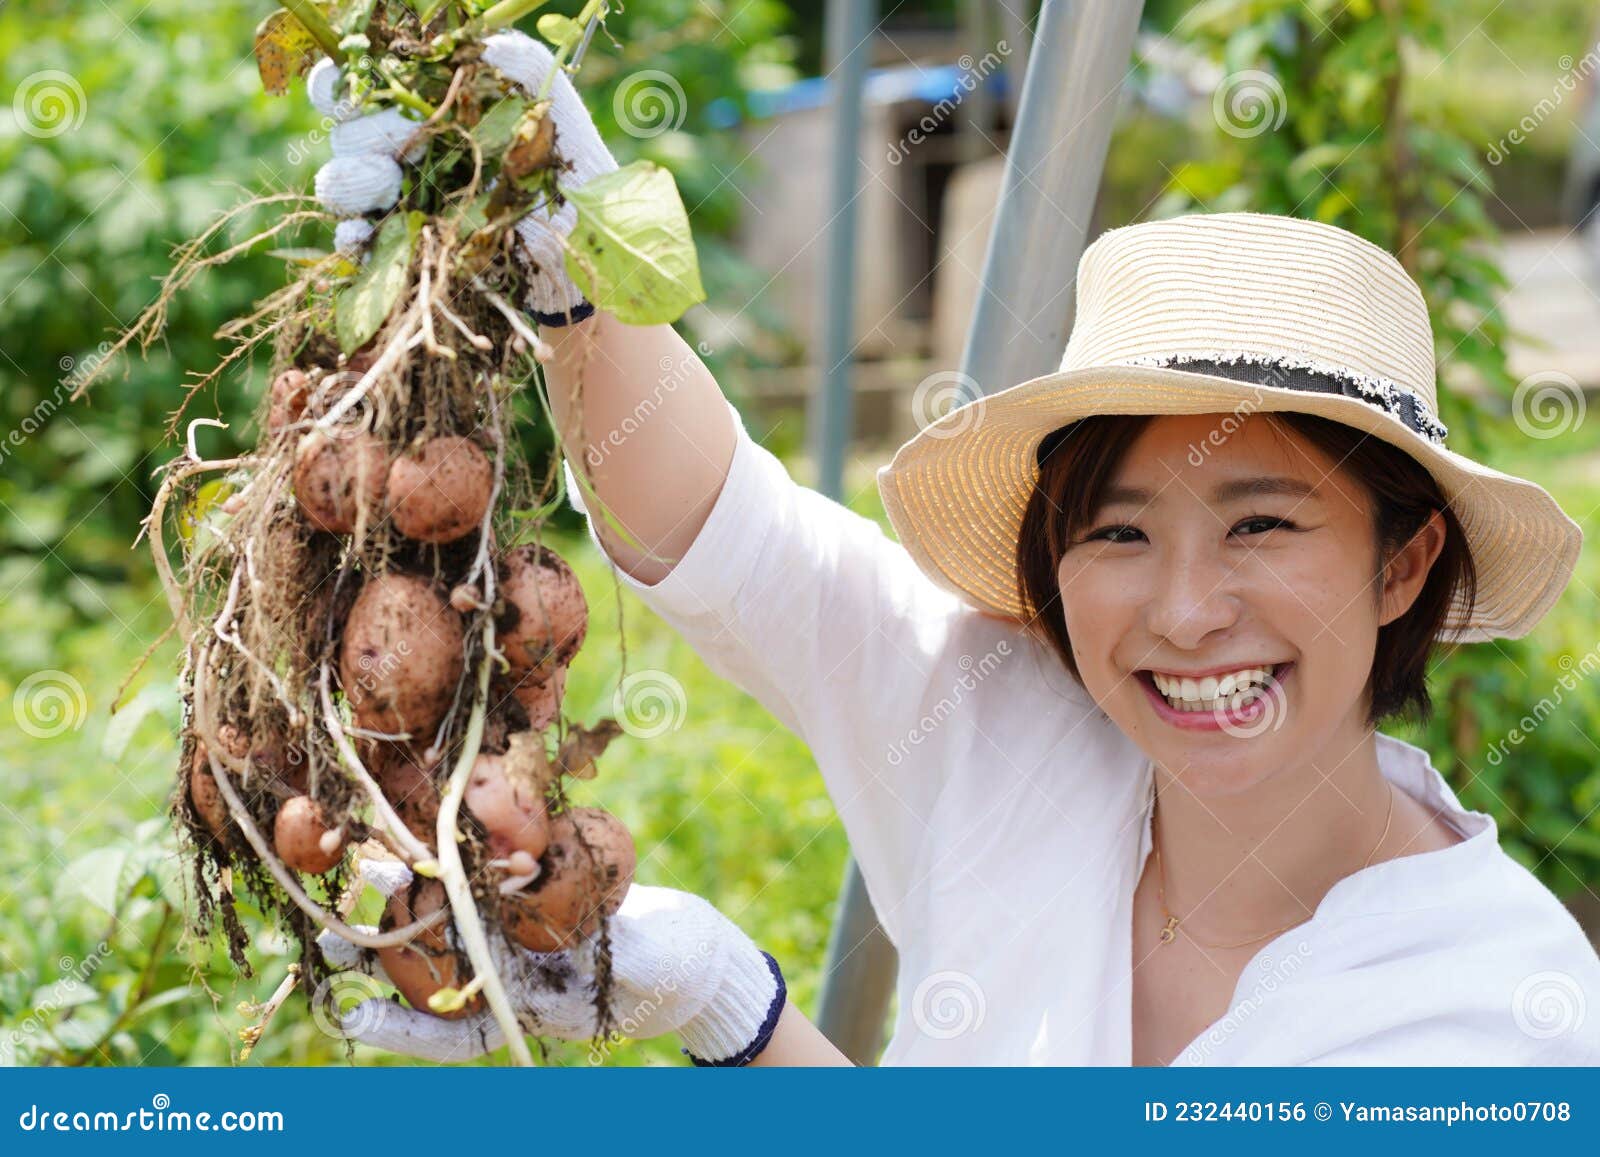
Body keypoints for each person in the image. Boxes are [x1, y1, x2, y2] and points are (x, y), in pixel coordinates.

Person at [310, 30, 1600, 1066]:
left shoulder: (1494, 1020)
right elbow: (721, 530)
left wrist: (740, 1019)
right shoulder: (1013, 728)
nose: (1190, 611)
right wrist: (566, 270)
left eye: (1261, 524)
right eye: (1119, 532)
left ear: (1404, 563)